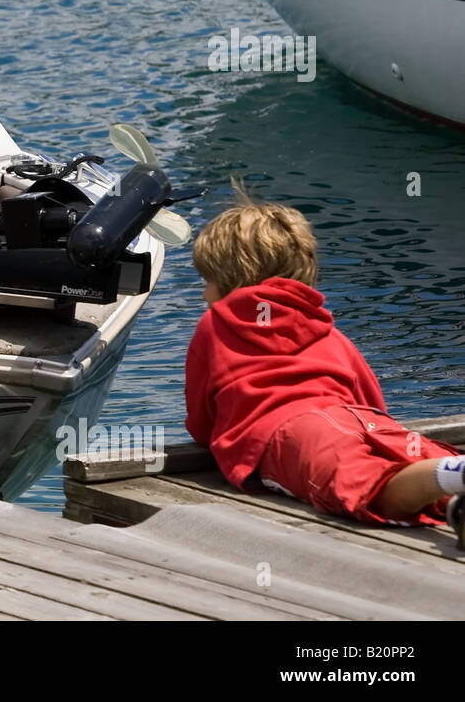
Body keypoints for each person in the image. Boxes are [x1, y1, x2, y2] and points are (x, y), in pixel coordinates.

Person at [185, 185, 464, 528]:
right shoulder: (327, 329)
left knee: (370, 488)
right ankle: (452, 480)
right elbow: (371, 400)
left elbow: (202, 422)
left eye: (207, 280)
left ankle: (451, 476)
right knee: (419, 458)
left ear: (229, 278)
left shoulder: (215, 325)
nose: (203, 292)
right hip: (358, 419)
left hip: (292, 435)